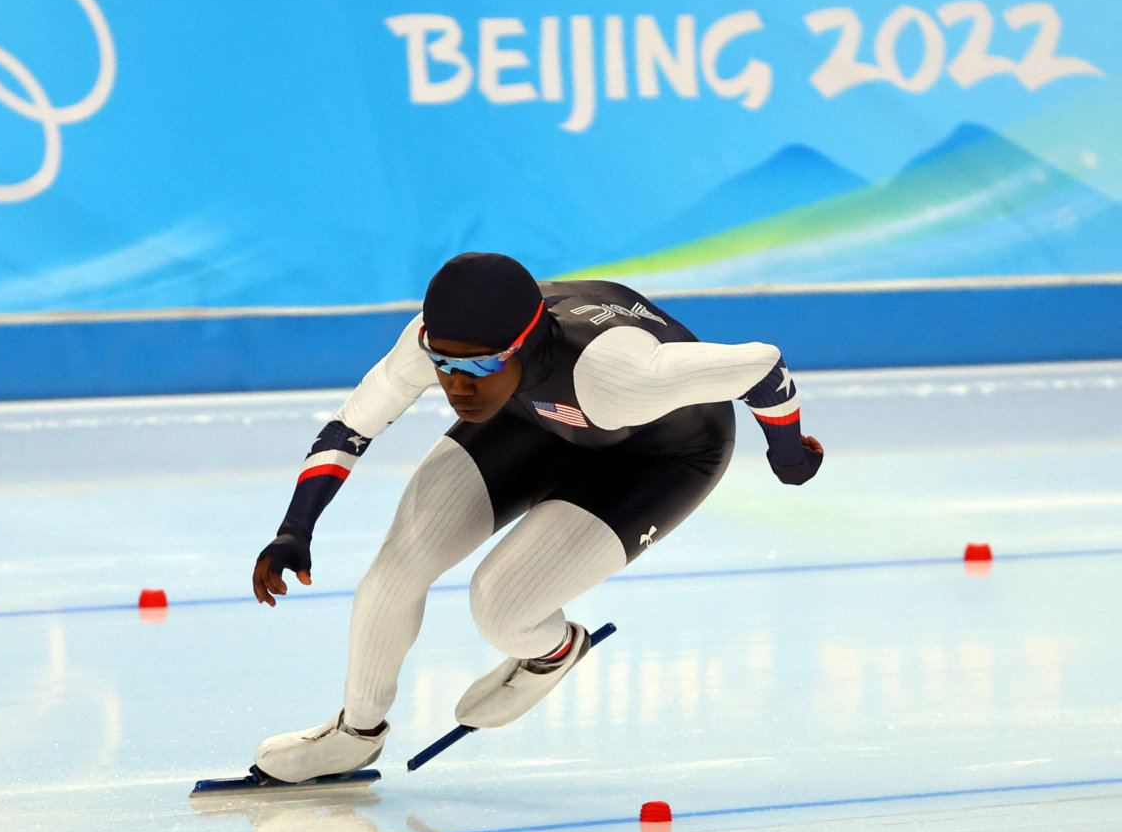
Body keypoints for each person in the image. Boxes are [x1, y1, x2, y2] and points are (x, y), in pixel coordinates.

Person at [249, 252, 823, 782]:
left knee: (501, 608)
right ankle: (356, 733)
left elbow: (763, 367)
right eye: (442, 363)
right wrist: (296, 527)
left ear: (524, 343)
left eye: (477, 365)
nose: (455, 385)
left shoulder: (619, 375)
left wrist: (790, 457)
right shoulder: (440, 341)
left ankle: (553, 651)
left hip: (658, 455)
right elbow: (351, 427)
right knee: (397, 566)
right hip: (532, 416)